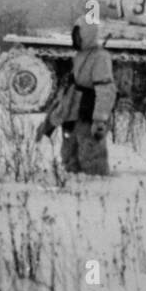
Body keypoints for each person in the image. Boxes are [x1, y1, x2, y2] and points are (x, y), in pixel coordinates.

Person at [38, 19, 116, 175]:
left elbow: (105, 89)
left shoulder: (100, 57)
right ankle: (72, 178)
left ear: (87, 35)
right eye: (75, 36)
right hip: (74, 109)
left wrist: (100, 118)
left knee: (90, 150)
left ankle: (95, 185)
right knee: (69, 150)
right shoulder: (80, 55)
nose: (76, 39)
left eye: (79, 35)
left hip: (89, 109)